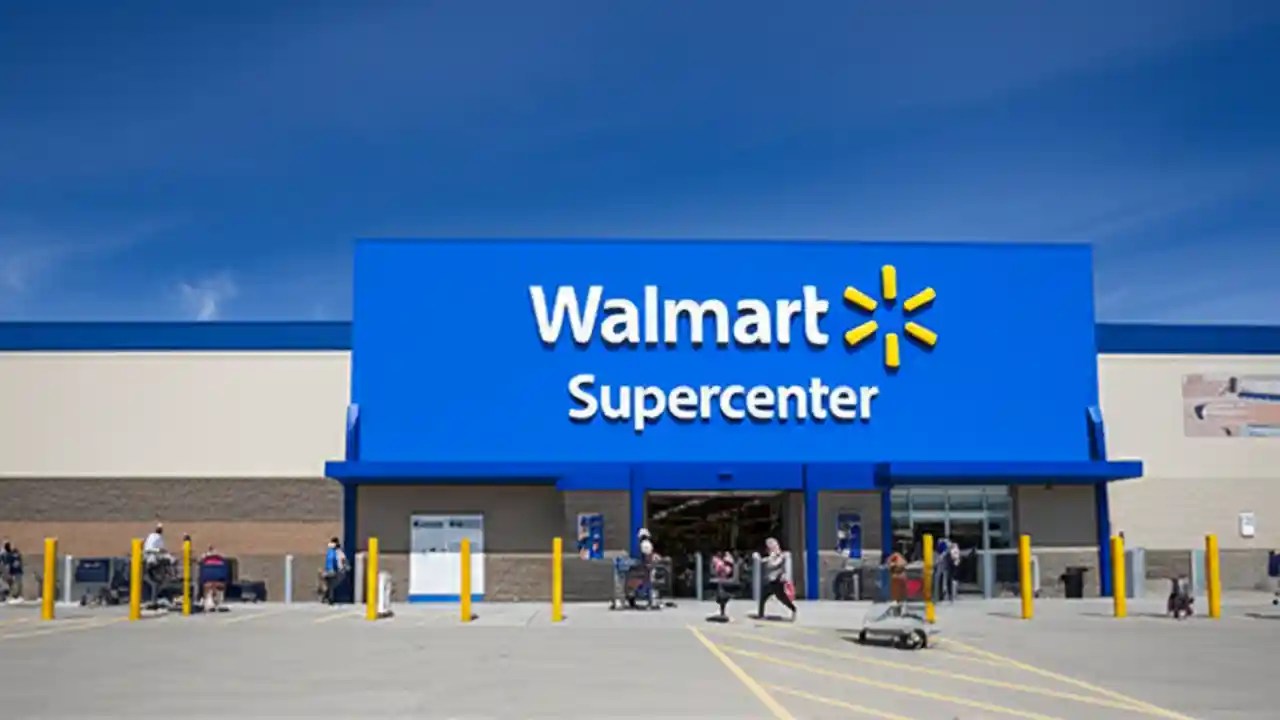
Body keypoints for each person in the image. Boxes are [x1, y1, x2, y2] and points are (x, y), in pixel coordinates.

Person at [756, 538, 797, 621]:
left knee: (782, 598)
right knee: (763, 597)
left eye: (771, 546)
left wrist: (772, 557)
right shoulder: (772, 555)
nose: (768, 549)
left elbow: (772, 564)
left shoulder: (781, 556)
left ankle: (793, 609)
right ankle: (761, 615)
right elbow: (765, 561)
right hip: (771, 581)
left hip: (777, 581)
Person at [321, 537, 348, 604]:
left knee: (330, 584)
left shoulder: (332, 551)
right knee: (331, 584)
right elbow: (342, 561)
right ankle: (329, 598)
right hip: (335, 570)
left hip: (332, 570)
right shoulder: (337, 552)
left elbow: (341, 561)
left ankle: (327, 597)